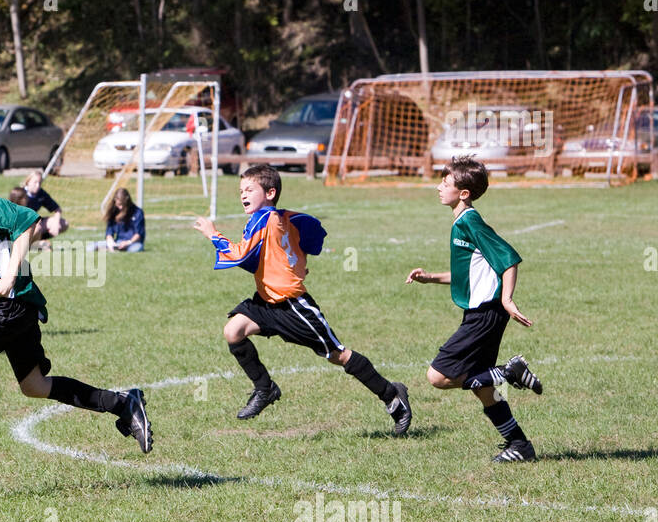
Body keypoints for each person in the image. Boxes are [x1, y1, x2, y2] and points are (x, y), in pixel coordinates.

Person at [0, 146, 152, 482]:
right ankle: (123, 404)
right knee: (34, 386)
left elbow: (27, 222)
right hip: (15, 306)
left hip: (11, 305)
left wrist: (11, 275)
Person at [194, 164, 412, 432]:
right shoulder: (275, 218)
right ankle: (265, 388)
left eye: (249, 189)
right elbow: (279, 252)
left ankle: (392, 396)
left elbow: (239, 255)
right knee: (233, 331)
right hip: (266, 302)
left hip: (293, 306)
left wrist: (212, 234)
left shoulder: (265, 219)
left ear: (270, 192)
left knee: (338, 355)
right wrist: (296, 265)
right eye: (240, 190)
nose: (242, 195)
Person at [405, 155, 543, 462]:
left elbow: (508, 259)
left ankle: (509, 371)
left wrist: (507, 299)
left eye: (446, 182)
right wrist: (431, 278)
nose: (439, 186)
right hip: (481, 312)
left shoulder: (470, 221)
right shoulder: (461, 221)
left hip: (487, 313)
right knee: (483, 386)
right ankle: (519, 445)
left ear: (463, 193)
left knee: (438, 376)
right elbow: (467, 274)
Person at [21, 171, 68, 242]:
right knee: (37, 228)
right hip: (21, 226)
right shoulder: (20, 194)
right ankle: (32, 244)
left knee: (63, 224)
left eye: (40, 183)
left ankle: (39, 242)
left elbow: (57, 209)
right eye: (35, 182)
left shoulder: (41, 193)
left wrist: (56, 223)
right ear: (28, 182)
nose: (38, 185)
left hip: (34, 223)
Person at [95, 187, 145, 252]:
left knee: (134, 249)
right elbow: (109, 232)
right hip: (118, 242)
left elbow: (138, 234)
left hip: (133, 243)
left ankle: (117, 249)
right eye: (119, 205)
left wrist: (128, 242)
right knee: (92, 247)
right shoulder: (114, 212)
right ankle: (112, 249)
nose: (121, 207)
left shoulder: (138, 212)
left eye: (123, 205)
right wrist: (110, 242)